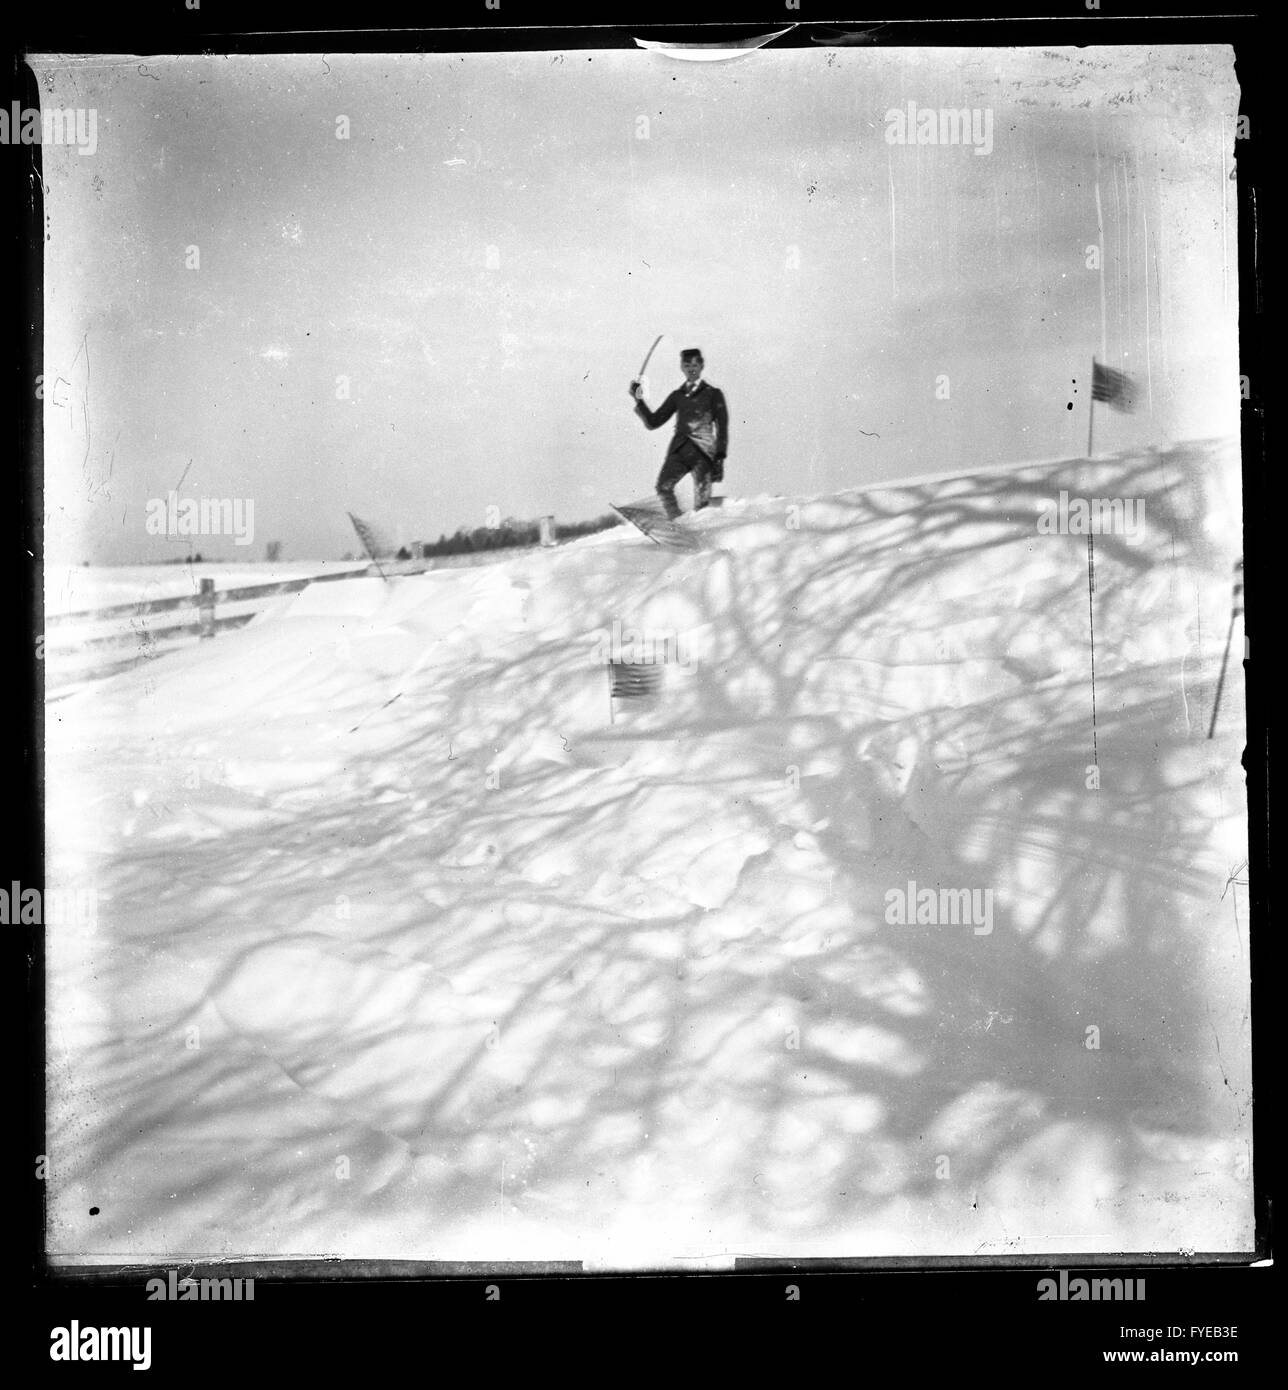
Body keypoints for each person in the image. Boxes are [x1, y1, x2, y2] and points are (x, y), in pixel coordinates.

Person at [628, 349, 728, 519]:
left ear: (702, 366)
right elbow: (653, 421)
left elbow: (723, 426)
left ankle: (719, 517)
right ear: (682, 367)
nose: (691, 369)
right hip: (679, 450)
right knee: (663, 487)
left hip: (704, 453)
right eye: (687, 365)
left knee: (702, 502)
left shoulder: (713, 394)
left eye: (695, 365)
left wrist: (720, 456)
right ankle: (678, 523)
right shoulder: (677, 395)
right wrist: (639, 399)